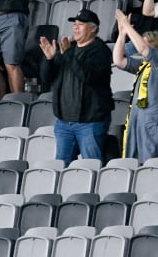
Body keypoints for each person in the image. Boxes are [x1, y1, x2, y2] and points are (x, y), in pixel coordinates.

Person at [39, 9, 114, 165]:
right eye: (75, 24)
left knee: (91, 166)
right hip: (64, 122)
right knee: (61, 167)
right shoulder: (69, 48)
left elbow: (87, 76)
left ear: (93, 28)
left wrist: (67, 55)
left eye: (80, 24)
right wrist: (49, 59)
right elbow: (47, 79)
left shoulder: (101, 51)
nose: (75, 28)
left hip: (90, 122)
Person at [113, 11, 158, 160]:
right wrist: (122, 33)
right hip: (139, 121)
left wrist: (127, 26)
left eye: (144, 42)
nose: (138, 48)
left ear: (156, 47)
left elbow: (143, 49)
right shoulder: (144, 65)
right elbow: (118, 60)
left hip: (156, 122)